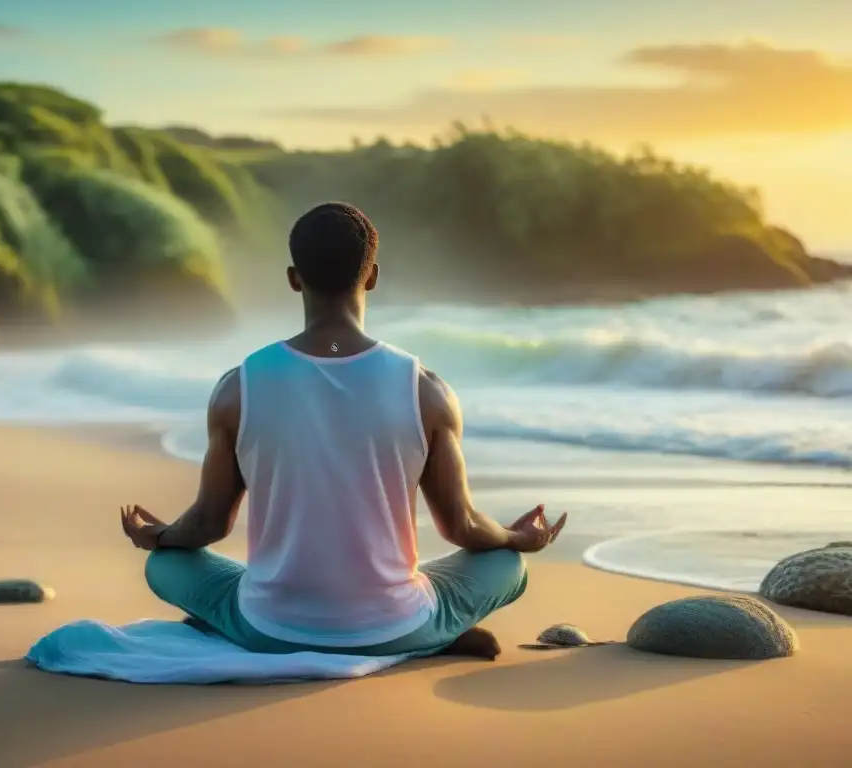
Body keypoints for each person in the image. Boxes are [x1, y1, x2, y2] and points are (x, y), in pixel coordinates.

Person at [120, 202, 567, 660]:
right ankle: (434, 633)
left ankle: (227, 624)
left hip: (271, 627)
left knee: (167, 565)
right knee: (506, 564)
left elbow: (209, 523)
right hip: (393, 624)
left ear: (294, 278)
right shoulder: (427, 390)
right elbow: (463, 526)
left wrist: (158, 536)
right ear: (372, 275)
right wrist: (517, 539)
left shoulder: (240, 385)